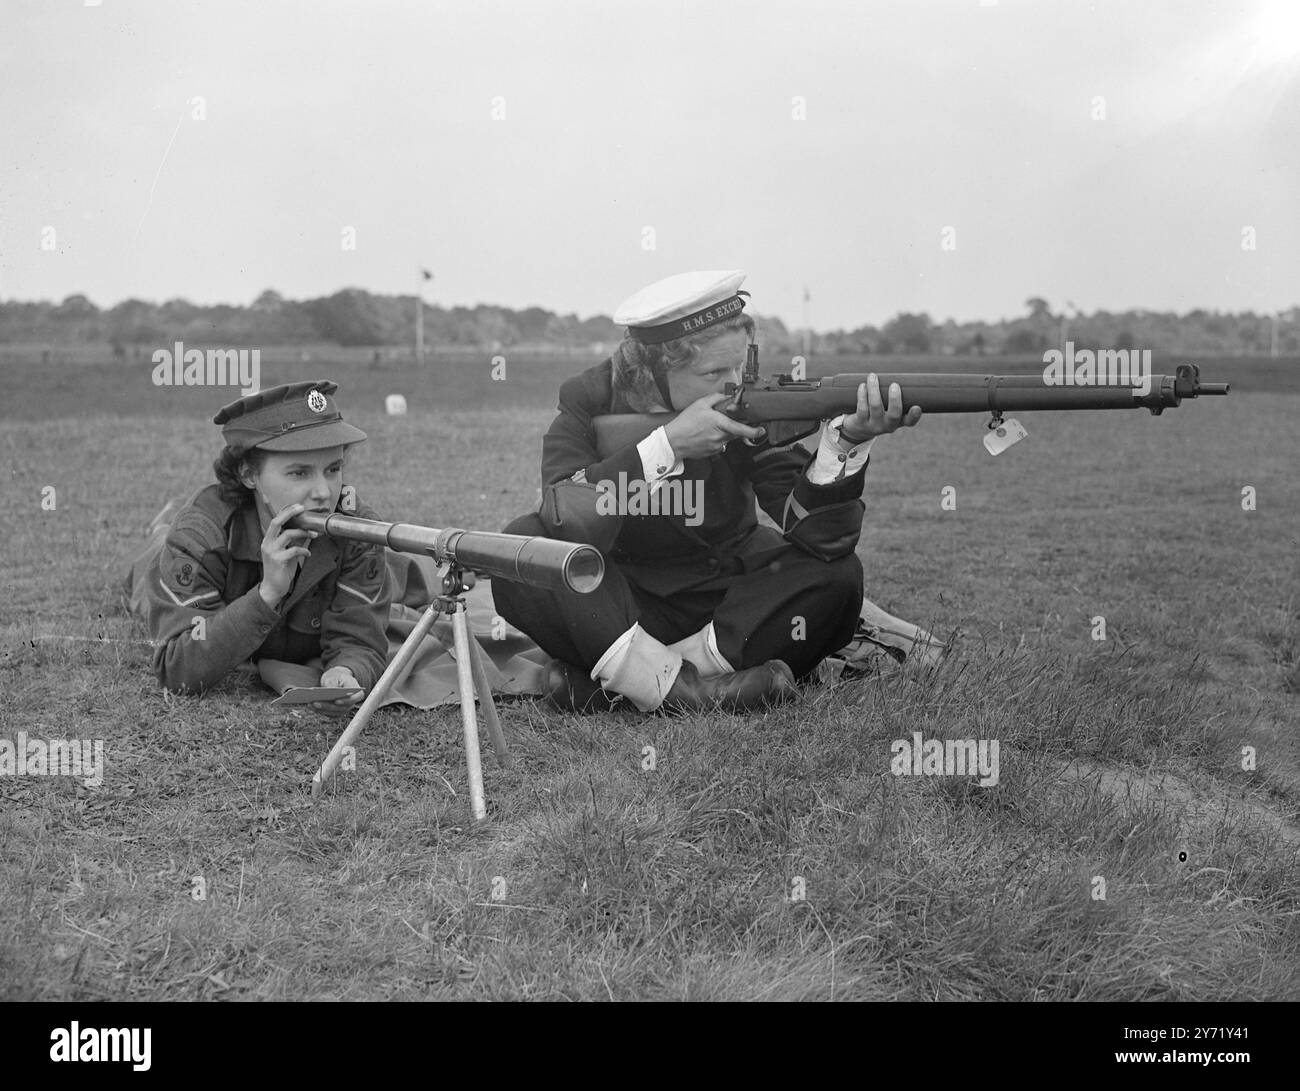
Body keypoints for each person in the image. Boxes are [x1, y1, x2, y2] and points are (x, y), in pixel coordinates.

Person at [491, 270, 923, 714]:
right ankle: (690, 693)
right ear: (654, 369)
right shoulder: (588, 400)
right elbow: (566, 516)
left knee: (838, 576)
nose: (733, 384)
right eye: (713, 371)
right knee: (520, 554)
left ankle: (635, 687)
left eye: (738, 365)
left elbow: (815, 535)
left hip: (727, 609)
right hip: (621, 609)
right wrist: (666, 446)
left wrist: (846, 443)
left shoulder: (745, 404)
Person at [127, 380, 390, 713]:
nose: (324, 492)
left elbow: (361, 636)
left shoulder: (359, 530)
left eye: (333, 469)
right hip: (155, 566)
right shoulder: (200, 537)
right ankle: (159, 527)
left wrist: (347, 671)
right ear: (248, 474)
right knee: (151, 555)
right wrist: (267, 594)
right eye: (299, 473)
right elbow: (177, 667)